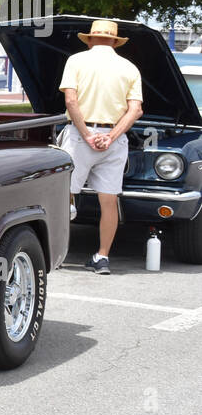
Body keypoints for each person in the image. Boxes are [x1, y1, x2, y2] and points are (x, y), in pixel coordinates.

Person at [57, 19, 144, 275]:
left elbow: (71, 101)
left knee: (65, 196)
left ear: (91, 39)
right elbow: (135, 110)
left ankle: (59, 253)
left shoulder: (76, 61)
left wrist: (86, 135)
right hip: (114, 140)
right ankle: (102, 256)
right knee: (109, 200)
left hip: (79, 135)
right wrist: (111, 136)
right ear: (115, 42)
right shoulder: (129, 67)